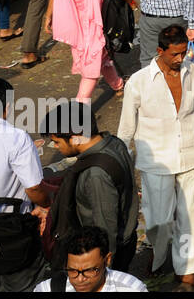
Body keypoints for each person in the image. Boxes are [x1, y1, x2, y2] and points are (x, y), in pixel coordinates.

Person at [116, 24, 194, 289]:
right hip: (155, 161)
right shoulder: (139, 82)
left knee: (190, 214)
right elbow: (125, 128)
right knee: (158, 219)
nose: (180, 59)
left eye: (183, 53)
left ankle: (187, 268)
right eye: (175, 54)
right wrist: (121, 163)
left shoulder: (191, 71)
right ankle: (158, 256)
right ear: (160, 51)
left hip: (189, 154)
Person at [40, 100, 138, 271]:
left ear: (75, 138)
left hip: (107, 253)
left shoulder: (95, 175)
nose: (55, 147)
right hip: (127, 237)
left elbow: (105, 228)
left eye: (57, 142)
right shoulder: (113, 142)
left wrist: (103, 270)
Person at [0, 77, 50, 292]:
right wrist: (46, 205)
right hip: (13, 231)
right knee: (22, 285)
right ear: (7, 107)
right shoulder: (15, 138)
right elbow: (34, 188)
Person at [33, 226, 147, 293]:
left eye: (89, 270)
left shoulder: (131, 289)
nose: (80, 279)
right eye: (72, 271)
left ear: (107, 260)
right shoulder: (48, 289)